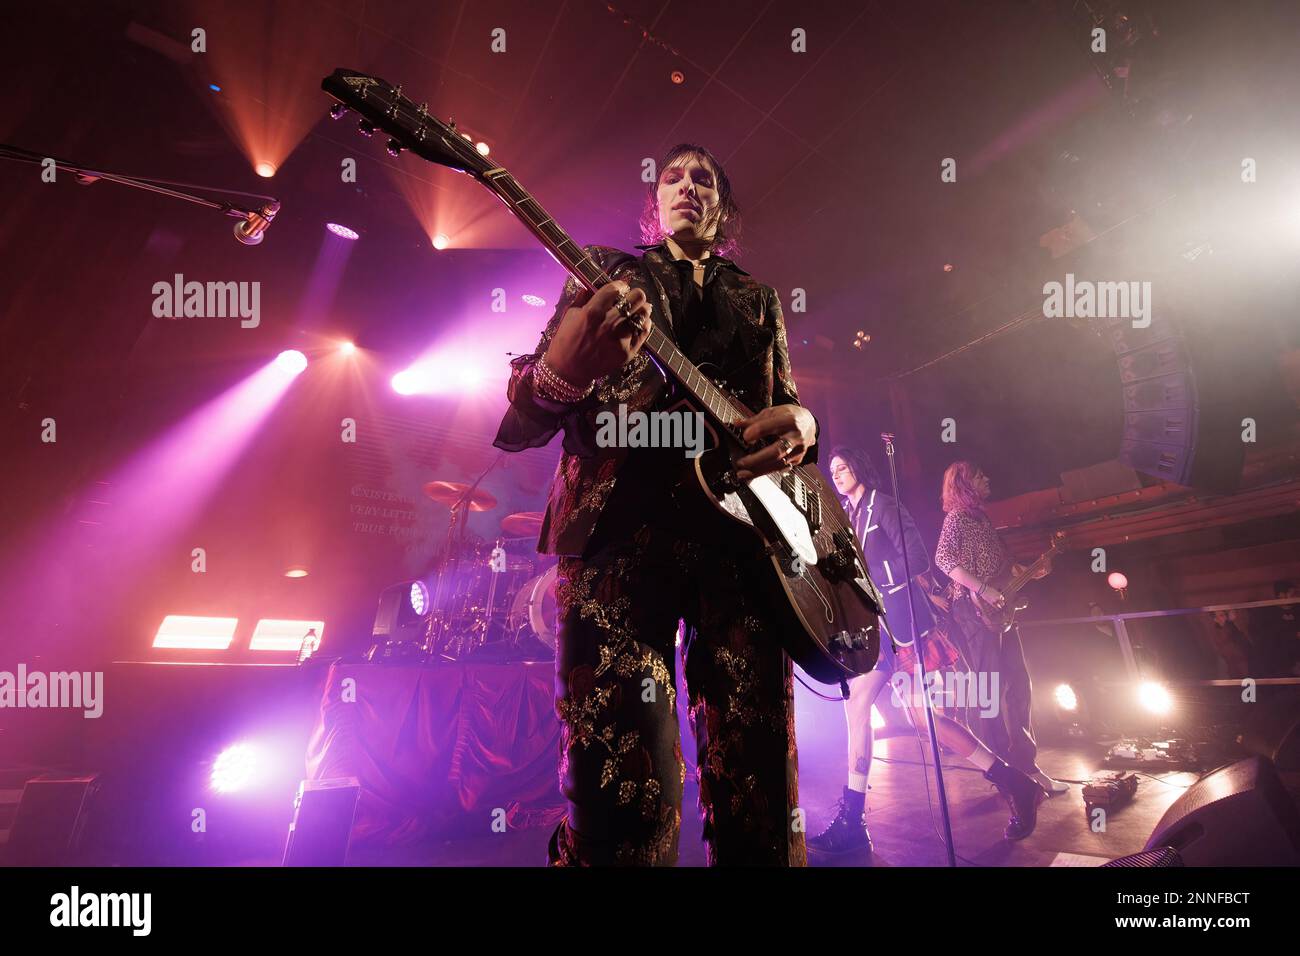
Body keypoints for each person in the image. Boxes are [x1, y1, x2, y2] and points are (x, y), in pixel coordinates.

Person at [494, 143, 818, 865]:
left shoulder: (757, 300)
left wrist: (804, 426)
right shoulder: (607, 273)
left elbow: (788, 413)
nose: (687, 186)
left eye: (704, 178)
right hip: (620, 542)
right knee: (619, 787)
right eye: (672, 177)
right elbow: (522, 423)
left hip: (743, 552)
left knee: (761, 783)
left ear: (723, 207)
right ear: (655, 203)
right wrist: (562, 371)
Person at [808, 447, 1044, 849]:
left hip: (907, 628)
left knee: (920, 719)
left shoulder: (885, 506)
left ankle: (1012, 781)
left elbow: (917, 559)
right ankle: (854, 816)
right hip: (877, 630)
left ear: (861, 468)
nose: (838, 475)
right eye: (833, 471)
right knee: (875, 710)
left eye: (844, 467)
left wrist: (867, 577)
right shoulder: (847, 516)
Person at [933, 461, 1068, 797]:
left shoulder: (983, 520)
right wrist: (982, 589)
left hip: (1001, 612)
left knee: (1019, 684)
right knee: (989, 692)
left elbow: (1002, 569)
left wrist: (1030, 571)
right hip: (973, 612)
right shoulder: (957, 519)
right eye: (981, 475)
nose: (987, 477)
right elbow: (944, 560)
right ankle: (1003, 775)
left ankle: (1027, 766)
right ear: (965, 484)